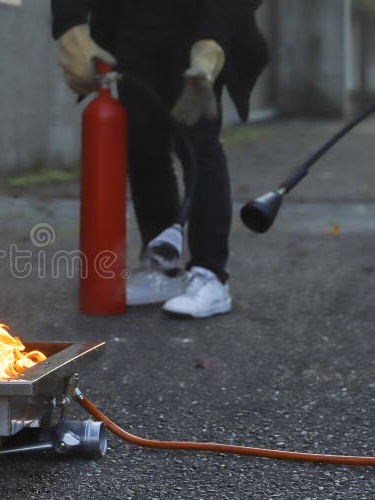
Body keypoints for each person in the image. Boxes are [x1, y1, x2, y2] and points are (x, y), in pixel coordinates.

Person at [51, 0, 269, 318]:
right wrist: (71, 25)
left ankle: (210, 274)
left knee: (197, 141)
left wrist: (209, 49)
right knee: (142, 139)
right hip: (133, 19)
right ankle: (162, 269)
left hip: (203, 18)